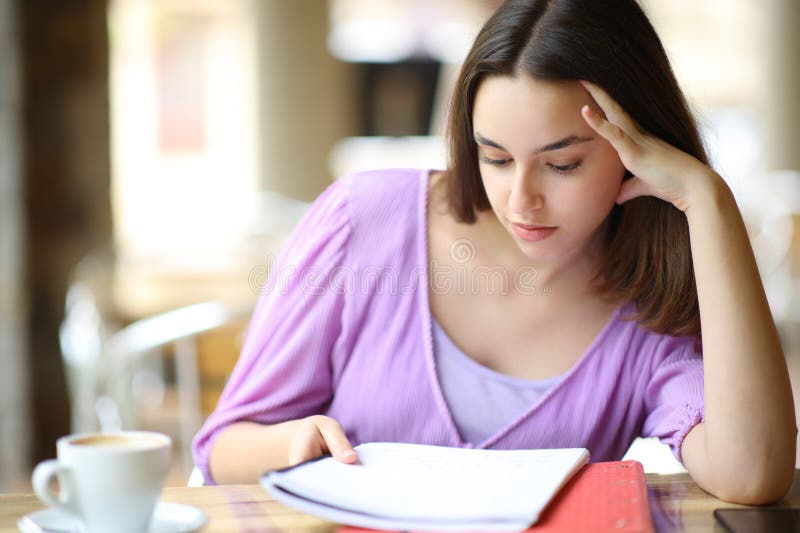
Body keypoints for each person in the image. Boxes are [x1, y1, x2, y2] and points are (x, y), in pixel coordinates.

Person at [193, 0, 796, 504]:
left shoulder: (650, 307)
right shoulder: (362, 223)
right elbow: (222, 448)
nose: (521, 200)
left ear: (638, 147)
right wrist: (293, 444)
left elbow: (753, 473)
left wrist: (708, 200)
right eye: (496, 158)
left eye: (562, 164)